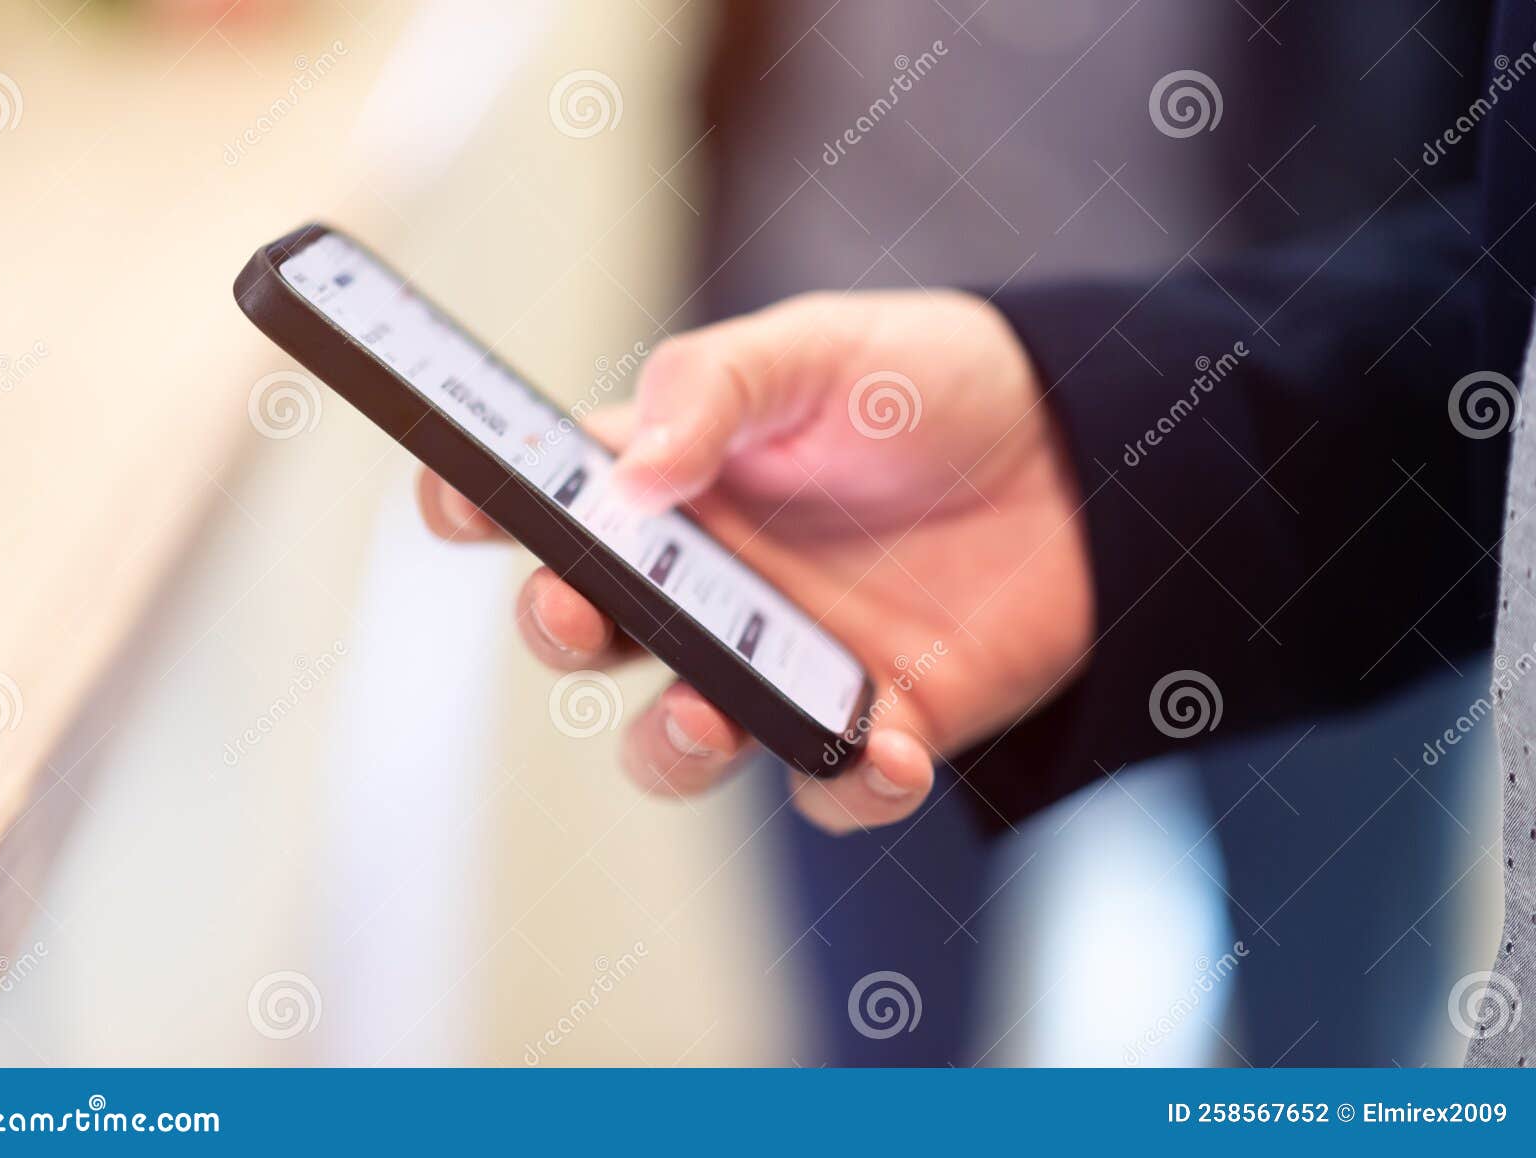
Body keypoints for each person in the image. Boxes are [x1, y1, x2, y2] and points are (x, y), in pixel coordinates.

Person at [419, 0, 1536, 1065]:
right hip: (829, 463)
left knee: (1334, 1049)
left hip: (1346, 462)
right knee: (883, 1038)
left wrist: (1153, 425)